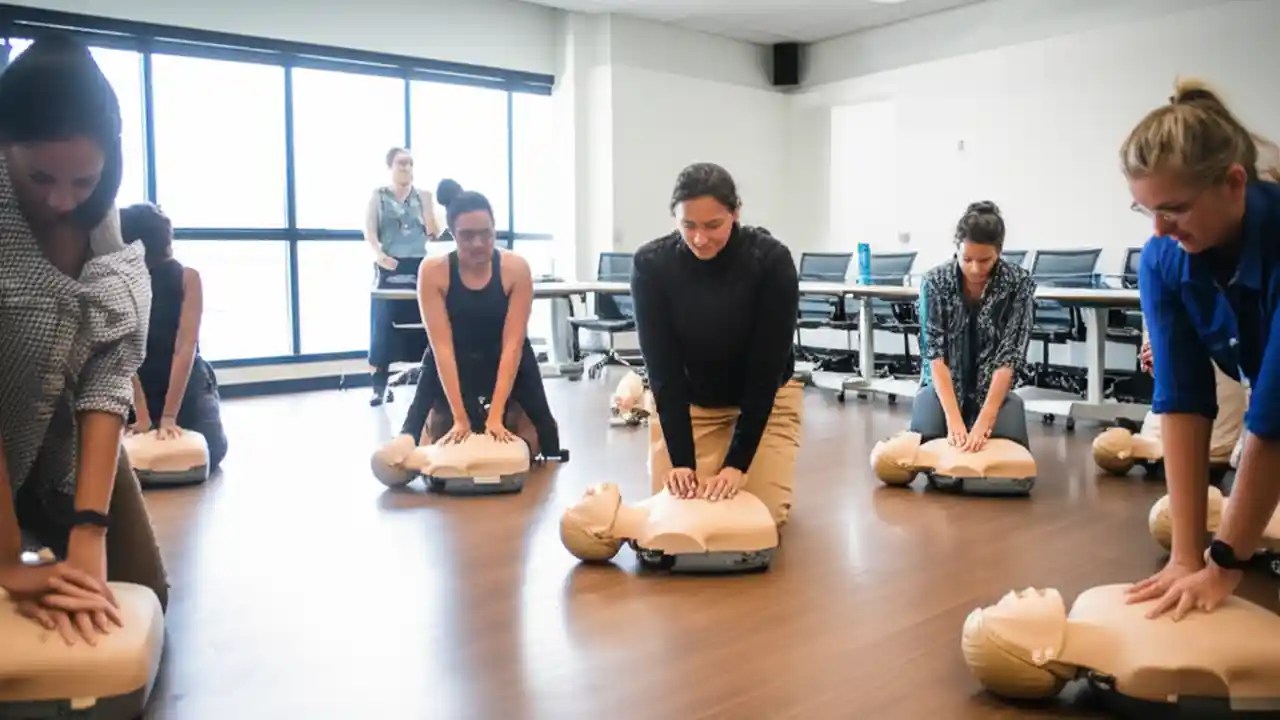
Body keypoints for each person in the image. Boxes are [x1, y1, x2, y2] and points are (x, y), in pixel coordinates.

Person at [0, 34, 168, 646]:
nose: (62, 200)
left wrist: (90, 531)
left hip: (60, 439)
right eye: (40, 175)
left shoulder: (101, 215)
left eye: (84, 180)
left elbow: (108, 364)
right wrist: (7, 558)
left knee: (136, 595)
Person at [1120, 79, 1280, 620]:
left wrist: (1226, 564)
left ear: (1234, 184)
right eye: (1146, 212)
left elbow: (1275, 418)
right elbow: (1183, 399)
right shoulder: (1163, 259)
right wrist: (1186, 558)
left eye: (1175, 210)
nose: (1160, 229)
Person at [631, 162, 802, 526]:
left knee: (756, 518)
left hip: (764, 401)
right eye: (687, 225)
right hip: (693, 404)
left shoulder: (771, 262)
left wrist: (738, 463)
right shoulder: (651, 265)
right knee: (678, 514)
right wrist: (681, 461)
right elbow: (663, 370)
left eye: (713, 225)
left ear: (735, 213)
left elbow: (765, 369)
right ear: (674, 218)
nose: (699, 239)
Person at [396, 189, 562, 456]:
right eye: (467, 235)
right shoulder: (433, 272)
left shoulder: (515, 269)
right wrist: (460, 418)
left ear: (495, 229)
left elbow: (513, 346)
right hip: (454, 358)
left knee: (547, 443)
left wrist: (495, 417)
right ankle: (412, 436)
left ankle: (523, 426)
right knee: (422, 438)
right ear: (452, 233)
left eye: (486, 233)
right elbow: (442, 349)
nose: (478, 243)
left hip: (506, 357)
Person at [913, 201, 1037, 452]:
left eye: (985, 260)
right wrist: (953, 419)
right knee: (924, 454)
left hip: (992, 393)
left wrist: (985, 420)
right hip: (942, 391)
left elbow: (1009, 357)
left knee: (1012, 471)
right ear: (956, 249)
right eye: (967, 259)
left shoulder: (1018, 283)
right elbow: (935, 355)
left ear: (999, 252)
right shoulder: (934, 282)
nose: (975, 269)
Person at [119, 202, 228, 471]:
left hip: (185, 379)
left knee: (212, 448)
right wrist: (142, 415)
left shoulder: (187, 278)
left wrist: (169, 416)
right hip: (135, 383)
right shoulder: (121, 284)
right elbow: (123, 350)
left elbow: (185, 345)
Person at [365, 147, 443, 406]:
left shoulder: (422, 197)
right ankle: (379, 384)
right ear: (390, 167)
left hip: (418, 265)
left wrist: (429, 208)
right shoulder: (379, 196)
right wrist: (379, 254)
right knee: (383, 319)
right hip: (390, 265)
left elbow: (435, 233)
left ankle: (432, 378)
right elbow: (370, 231)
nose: (406, 169)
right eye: (401, 164)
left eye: (410, 164)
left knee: (430, 318)